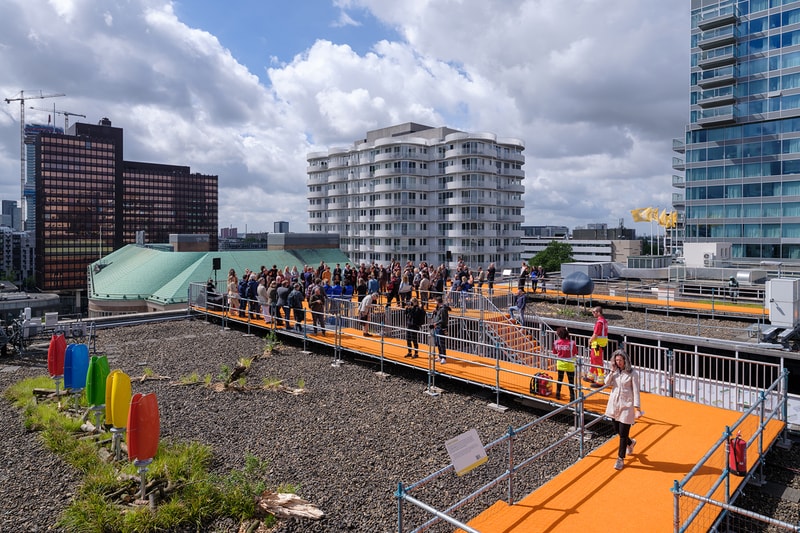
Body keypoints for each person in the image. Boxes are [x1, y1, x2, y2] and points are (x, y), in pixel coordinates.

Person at [604, 349, 642, 470]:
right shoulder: (615, 372)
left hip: (626, 405)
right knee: (616, 429)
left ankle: (620, 458)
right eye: (616, 360)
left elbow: (636, 391)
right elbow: (606, 383)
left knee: (623, 433)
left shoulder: (632, 373)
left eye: (620, 360)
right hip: (614, 404)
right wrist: (611, 371)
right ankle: (631, 443)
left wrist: (637, 408)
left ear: (625, 360)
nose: (618, 362)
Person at [552, 327, 577, 401]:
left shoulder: (556, 342)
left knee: (559, 379)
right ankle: (572, 397)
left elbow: (554, 352)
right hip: (570, 364)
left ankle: (558, 394)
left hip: (560, 364)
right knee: (571, 381)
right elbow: (575, 352)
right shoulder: (572, 343)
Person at [587, 306, 608, 387]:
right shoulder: (604, 321)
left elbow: (595, 334)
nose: (592, 313)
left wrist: (590, 340)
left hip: (597, 345)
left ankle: (600, 380)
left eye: (593, 312)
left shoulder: (599, 322)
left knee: (598, 362)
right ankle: (591, 376)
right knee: (593, 360)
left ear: (598, 312)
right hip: (599, 344)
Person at [431, 298, 450, 364]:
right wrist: (435, 312)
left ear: (438, 302)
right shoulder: (439, 309)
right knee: (438, 342)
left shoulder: (443, 309)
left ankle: (444, 357)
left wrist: (437, 323)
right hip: (437, 328)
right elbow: (438, 317)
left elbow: (443, 320)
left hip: (440, 328)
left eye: (435, 301)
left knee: (441, 343)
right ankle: (440, 356)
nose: (434, 302)